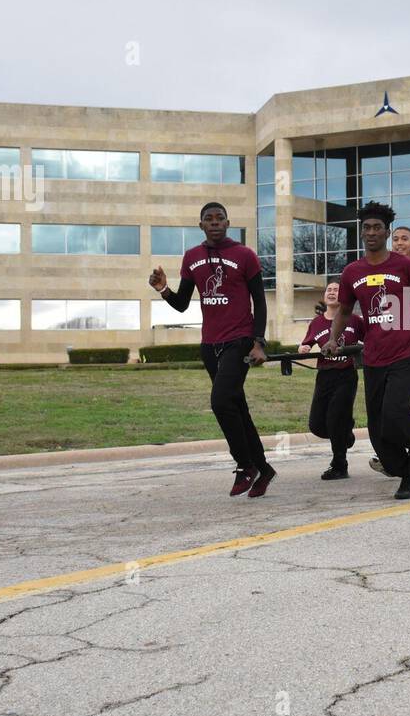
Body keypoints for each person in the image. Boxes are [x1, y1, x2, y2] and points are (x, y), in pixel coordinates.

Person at [150, 201, 276, 497]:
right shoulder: (192, 257)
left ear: (228, 223)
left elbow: (260, 300)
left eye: (220, 218)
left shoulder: (244, 255)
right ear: (201, 225)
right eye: (209, 219)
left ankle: (245, 465)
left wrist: (258, 342)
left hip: (239, 341)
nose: (215, 222)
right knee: (237, 408)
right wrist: (163, 290)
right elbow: (182, 305)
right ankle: (264, 467)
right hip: (210, 345)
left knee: (220, 402)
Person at [328, 201, 410, 500]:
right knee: (377, 426)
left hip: (406, 350)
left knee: (395, 412)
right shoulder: (353, 271)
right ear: (361, 232)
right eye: (367, 228)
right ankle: (404, 471)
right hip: (373, 355)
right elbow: (343, 310)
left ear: (387, 232)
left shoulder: (406, 265)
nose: (372, 232)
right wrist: (333, 339)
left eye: (378, 227)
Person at [299, 282, 362, 479]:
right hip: (325, 374)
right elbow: (305, 343)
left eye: (337, 290)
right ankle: (346, 433)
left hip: (346, 374)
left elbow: (370, 340)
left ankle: (339, 464)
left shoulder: (354, 320)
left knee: (336, 417)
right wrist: (304, 348)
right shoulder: (316, 323)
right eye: (329, 290)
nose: (333, 293)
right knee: (316, 424)